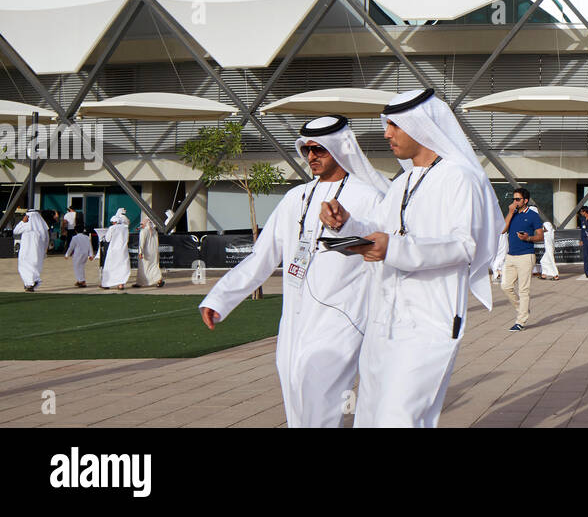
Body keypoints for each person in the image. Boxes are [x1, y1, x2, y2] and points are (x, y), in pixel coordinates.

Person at [324, 89, 501, 428]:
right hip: (383, 320)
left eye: (394, 125)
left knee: (399, 418)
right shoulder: (402, 182)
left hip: (430, 320)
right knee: (371, 417)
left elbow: (464, 245)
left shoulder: (459, 177)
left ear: (421, 126)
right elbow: (380, 229)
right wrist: (344, 222)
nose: (386, 133)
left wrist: (394, 249)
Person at [199, 115, 388, 427]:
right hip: (294, 321)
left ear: (339, 148)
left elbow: (380, 242)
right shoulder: (294, 197)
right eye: (306, 150)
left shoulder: (369, 196)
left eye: (319, 150)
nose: (311, 156)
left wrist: (348, 225)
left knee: (321, 402)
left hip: (342, 318)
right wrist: (219, 300)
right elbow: (262, 257)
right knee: (296, 398)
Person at [499, 187, 543, 331]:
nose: (515, 202)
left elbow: (540, 236)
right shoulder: (513, 213)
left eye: (517, 199)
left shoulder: (533, 216)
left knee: (523, 289)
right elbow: (503, 229)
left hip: (526, 255)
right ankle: (522, 309)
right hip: (511, 256)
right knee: (505, 286)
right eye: (513, 199)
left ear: (525, 201)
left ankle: (521, 321)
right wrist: (511, 212)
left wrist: (528, 237)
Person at [14, 207, 48, 291]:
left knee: (24, 267)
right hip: (37, 252)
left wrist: (22, 221)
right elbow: (46, 240)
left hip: (26, 251)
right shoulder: (42, 228)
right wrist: (44, 250)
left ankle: (30, 283)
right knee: (34, 267)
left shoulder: (25, 225)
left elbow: (15, 231)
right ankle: (31, 282)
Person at [100, 208, 131, 290]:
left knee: (110, 267)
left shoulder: (112, 228)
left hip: (113, 250)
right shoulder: (125, 228)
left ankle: (107, 283)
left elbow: (107, 239)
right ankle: (121, 284)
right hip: (123, 250)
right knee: (122, 267)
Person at [136, 212, 164, 288]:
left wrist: (140, 252)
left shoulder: (143, 231)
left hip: (146, 252)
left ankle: (143, 282)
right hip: (154, 252)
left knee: (144, 267)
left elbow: (141, 243)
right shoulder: (154, 232)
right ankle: (158, 280)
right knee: (154, 266)